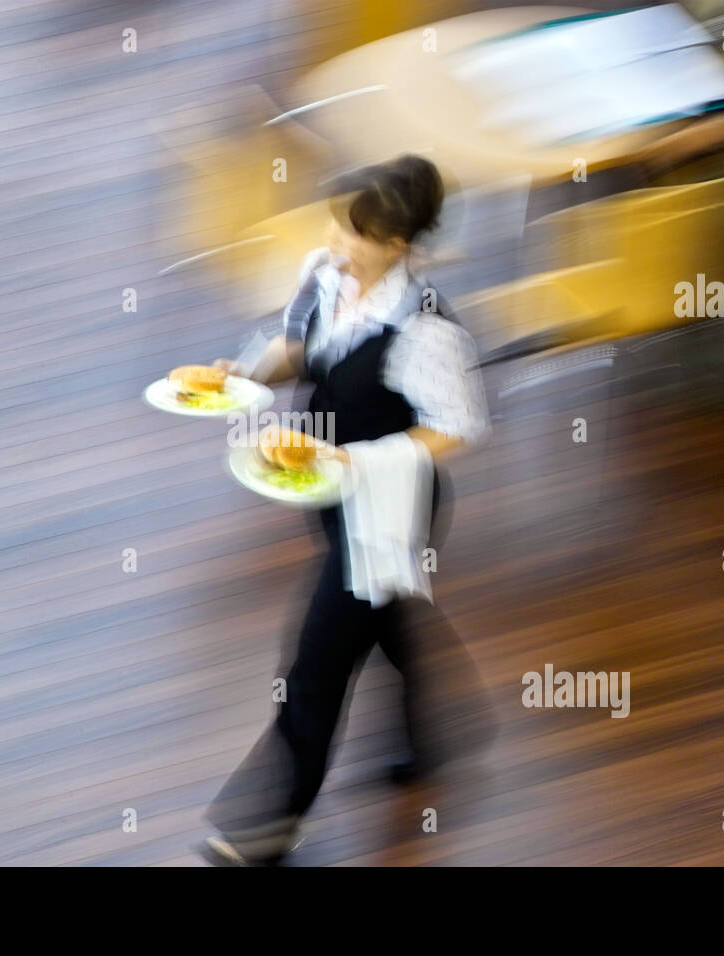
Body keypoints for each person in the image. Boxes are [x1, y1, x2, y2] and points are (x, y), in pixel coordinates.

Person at [199, 155, 496, 866]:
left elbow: (457, 426)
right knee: (386, 619)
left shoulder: (426, 328)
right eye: (338, 221)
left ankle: (267, 826)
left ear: (400, 246)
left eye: (356, 232)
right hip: (330, 498)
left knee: (316, 661)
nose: (338, 239)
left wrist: (360, 461)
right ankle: (442, 732)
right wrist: (241, 375)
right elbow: (298, 349)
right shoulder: (325, 275)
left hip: (392, 512)